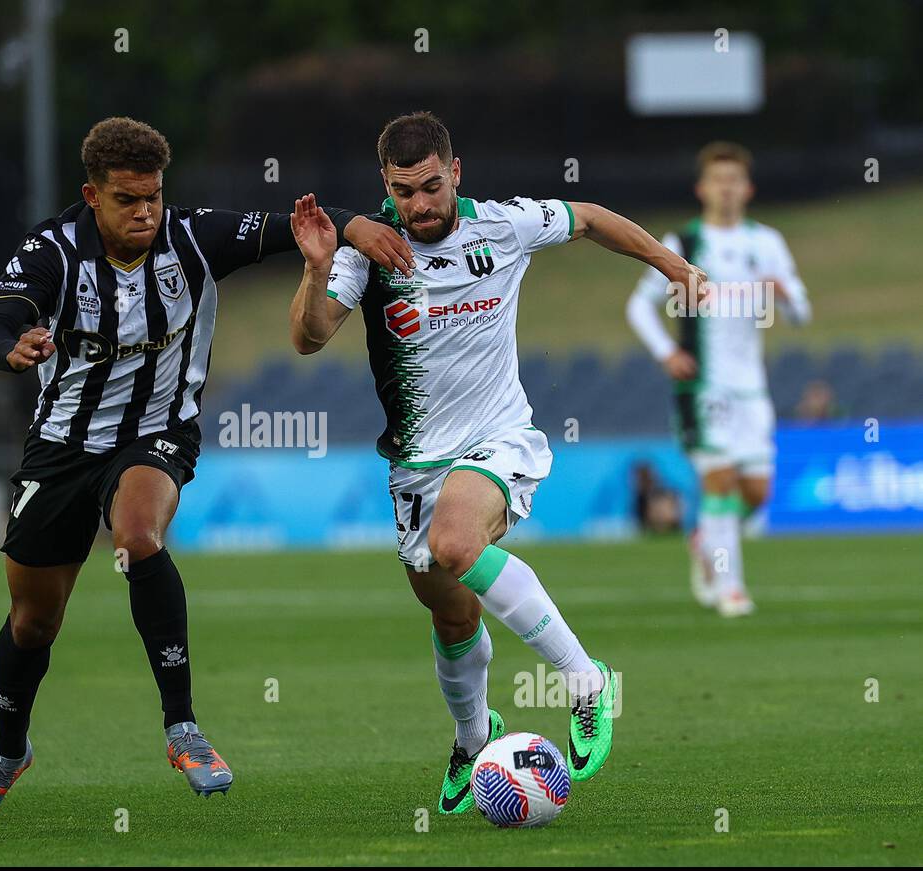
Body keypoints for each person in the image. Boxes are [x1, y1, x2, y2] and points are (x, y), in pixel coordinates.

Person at [0, 116, 413, 818]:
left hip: (158, 435)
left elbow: (300, 221)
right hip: (61, 448)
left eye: (153, 198)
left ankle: (182, 727)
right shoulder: (53, 249)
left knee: (139, 536)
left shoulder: (193, 236)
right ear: (92, 194)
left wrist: (354, 231)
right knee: (32, 622)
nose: (144, 213)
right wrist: (10, 348)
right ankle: (8, 752)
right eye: (127, 200)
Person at [286, 111, 707, 812]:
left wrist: (672, 265)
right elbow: (309, 337)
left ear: (456, 172)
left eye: (429, 187)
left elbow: (592, 217)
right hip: (417, 464)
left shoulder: (504, 225)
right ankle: (471, 738)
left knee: (457, 543)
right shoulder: (371, 249)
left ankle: (587, 682)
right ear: (384, 184)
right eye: (402, 191)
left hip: (497, 438)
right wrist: (317, 267)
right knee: (450, 618)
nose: (418, 206)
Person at [626, 142, 811, 617]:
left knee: (756, 493)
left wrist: (785, 295)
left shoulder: (766, 242)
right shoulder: (683, 244)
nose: (726, 189)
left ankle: (704, 538)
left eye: (734, 181)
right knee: (720, 481)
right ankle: (730, 587)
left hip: (752, 388)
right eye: (717, 181)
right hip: (704, 387)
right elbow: (639, 305)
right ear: (701, 188)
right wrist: (668, 352)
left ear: (747, 189)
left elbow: (801, 313)